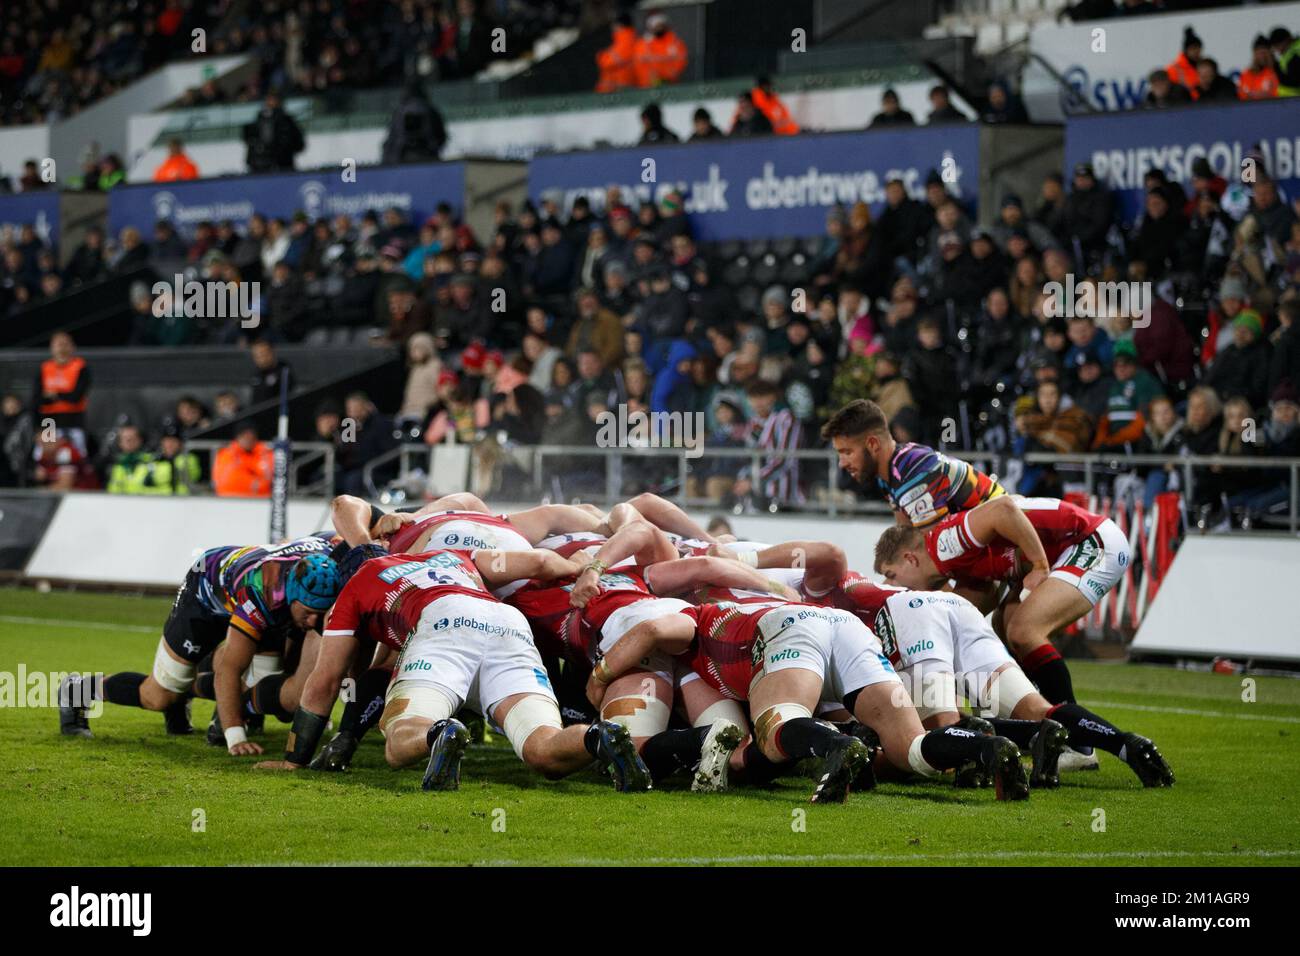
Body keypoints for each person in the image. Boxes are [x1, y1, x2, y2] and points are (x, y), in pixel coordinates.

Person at [256, 544, 653, 792]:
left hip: (443, 621)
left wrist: (294, 758)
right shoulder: (452, 556)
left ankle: (438, 732)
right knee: (542, 750)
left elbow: (325, 681)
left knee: (398, 743)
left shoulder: (360, 580)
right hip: (506, 621)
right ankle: (597, 739)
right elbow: (538, 561)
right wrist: (581, 565)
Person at [59, 542, 341, 754]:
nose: (315, 620)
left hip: (250, 593)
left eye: (321, 612)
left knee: (266, 681)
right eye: (308, 612)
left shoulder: (330, 553)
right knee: (159, 695)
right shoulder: (260, 593)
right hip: (206, 595)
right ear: (292, 596)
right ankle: (77, 690)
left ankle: (209, 708)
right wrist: (236, 738)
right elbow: (229, 669)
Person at [822, 399, 1005, 528]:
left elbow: (937, 560)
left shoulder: (913, 473)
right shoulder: (889, 475)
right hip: (990, 534)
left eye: (847, 452)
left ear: (873, 444)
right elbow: (907, 538)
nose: (842, 464)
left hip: (1005, 533)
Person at [33, 331, 91, 453]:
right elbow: (37, 399)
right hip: (49, 421)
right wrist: (37, 429)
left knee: (75, 456)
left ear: (72, 347)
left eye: (65, 344)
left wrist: (53, 395)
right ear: (52, 348)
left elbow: (75, 397)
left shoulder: (80, 367)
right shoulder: (45, 368)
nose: (61, 349)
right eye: (58, 345)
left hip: (73, 420)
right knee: (45, 458)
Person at [381, 80, 448, 164]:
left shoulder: (398, 113)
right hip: (429, 157)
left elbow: (391, 141)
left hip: (401, 159)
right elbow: (441, 137)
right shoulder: (431, 111)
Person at [242, 91, 305, 174]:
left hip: (283, 165)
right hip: (260, 166)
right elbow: (250, 140)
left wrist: (284, 149)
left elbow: (298, 142)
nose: (270, 102)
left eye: (273, 100)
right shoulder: (259, 121)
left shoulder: (287, 121)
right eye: (268, 100)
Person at [212, 421, 274, 497]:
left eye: (251, 437)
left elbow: (269, 480)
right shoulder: (227, 454)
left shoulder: (265, 453)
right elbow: (227, 482)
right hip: (231, 500)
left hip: (260, 501)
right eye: (244, 436)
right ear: (238, 437)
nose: (248, 440)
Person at [633, 12, 688, 88]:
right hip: (648, 85)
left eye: (661, 26)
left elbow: (681, 60)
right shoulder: (643, 44)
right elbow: (639, 64)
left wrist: (668, 75)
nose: (659, 28)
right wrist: (651, 76)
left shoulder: (675, 42)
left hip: (671, 83)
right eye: (656, 26)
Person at [596, 14, 638, 93]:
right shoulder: (622, 40)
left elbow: (607, 63)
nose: (612, 27)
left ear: (619, 25)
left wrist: (602, 56)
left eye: (614, 24)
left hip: (622, 88)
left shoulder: (626, 39)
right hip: (617, 88)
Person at [1238, 35, 1279, 100]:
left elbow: (1276, 94)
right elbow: (1242, 95)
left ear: (1270, 53)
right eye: (1259, 53)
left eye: (1264, 52)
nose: (1262, 56)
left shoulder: (1277, 71)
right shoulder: (1246, 74)